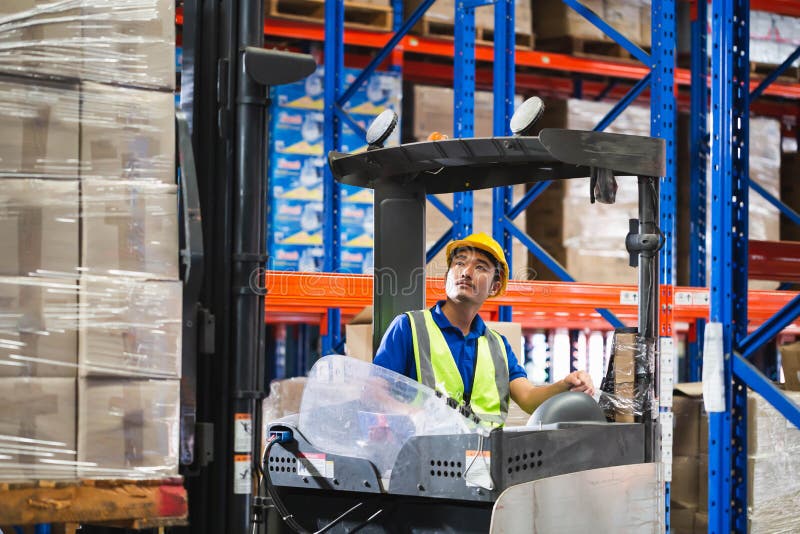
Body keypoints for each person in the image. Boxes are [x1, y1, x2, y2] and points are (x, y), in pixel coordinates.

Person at [374, 232, 594, 427]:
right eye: (459, 263)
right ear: (447, 276)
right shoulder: (409, 327)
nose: (466, 272)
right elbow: (374, 390)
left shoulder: (497, 346)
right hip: (426, 461)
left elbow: (528, 398)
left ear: (494, 286)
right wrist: (410, 413)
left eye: (480, 267)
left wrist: (565, 384)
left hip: (485, 465)